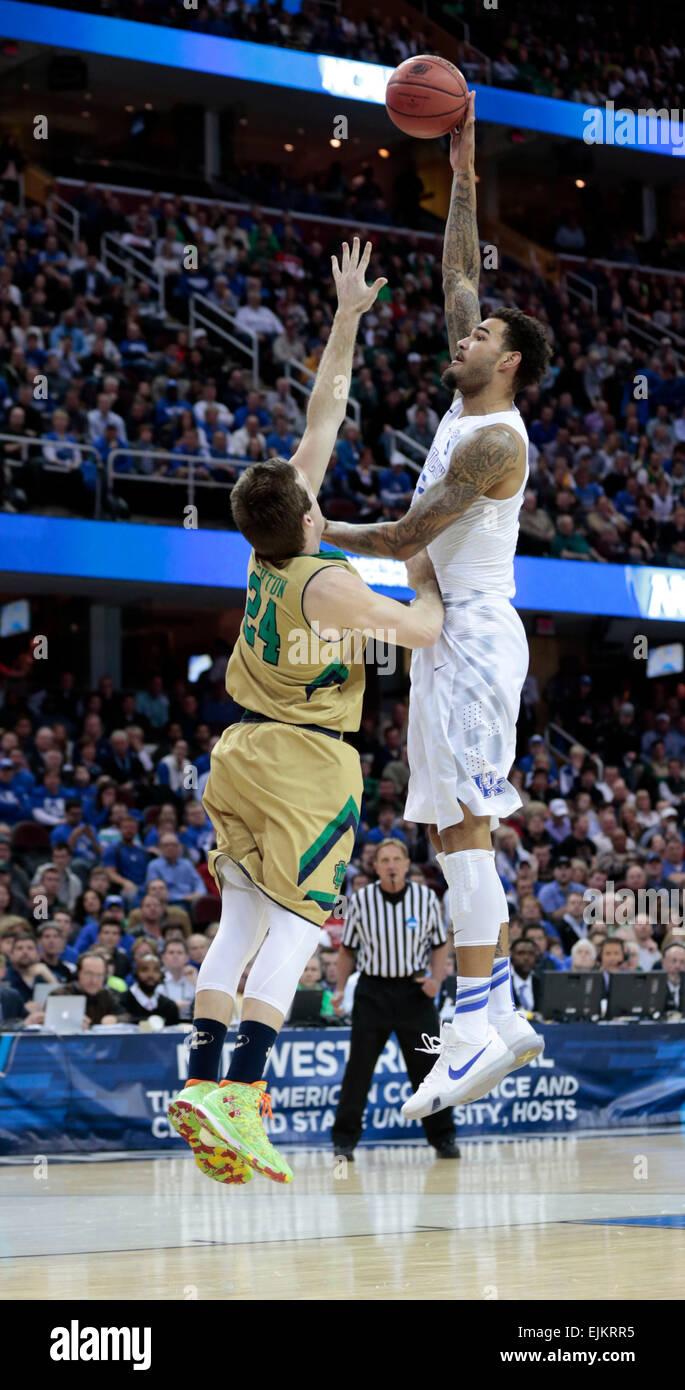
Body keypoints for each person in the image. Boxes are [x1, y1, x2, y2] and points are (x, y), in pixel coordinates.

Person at [167, 239, 444, 1188]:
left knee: (237, 925)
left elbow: (323, 409)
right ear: (305, 512)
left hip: (238, 750)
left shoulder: (267, 550)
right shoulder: (326, 581)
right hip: (302, 762)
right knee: (293, 931)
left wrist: (347, 318)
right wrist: (427, 568)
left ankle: (201, 1079)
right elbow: (422, 631)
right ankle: (244, 1094)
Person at [323, 98, 551, 1120]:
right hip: (451, 632)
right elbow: (459, 273)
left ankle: (471, 1022)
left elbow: (408, 538)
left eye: (481, 337)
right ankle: (496, 1015)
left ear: (507, 364)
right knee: (457, 830)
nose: (460, 334)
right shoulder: (468, 398)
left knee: (461, 828)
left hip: (467, 631)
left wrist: (311, 530)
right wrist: (463, 173)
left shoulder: (496, 440)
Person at [331, 839, 458, 1160]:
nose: (390, 865)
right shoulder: (359, 900)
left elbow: (439, 945)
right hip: (372, 992)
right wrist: (340, 989)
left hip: (414, 993)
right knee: (358, 1070)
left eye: (396, 859)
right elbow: (347, 950)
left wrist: (435, 981)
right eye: (383, 859)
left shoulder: (427, 897)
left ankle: (443, 1138)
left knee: (429, 1071)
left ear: (406, 864)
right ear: (375, 867)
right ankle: (344, 1141)